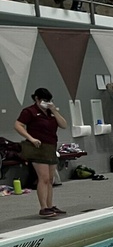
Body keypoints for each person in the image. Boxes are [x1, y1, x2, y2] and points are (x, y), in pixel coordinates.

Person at [14, 87, 68, 217]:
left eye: (49, 100)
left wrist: (54, 110)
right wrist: (31, 138)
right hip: (37, 148)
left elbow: (64, 125)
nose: (47, 103)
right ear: (37, 99)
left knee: (50, 179)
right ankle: (43, 207)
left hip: (50, 147)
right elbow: (18, 125)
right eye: (44, 100)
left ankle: (50, 206)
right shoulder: (29, 111)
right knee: (43, 178)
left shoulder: (51, 112)